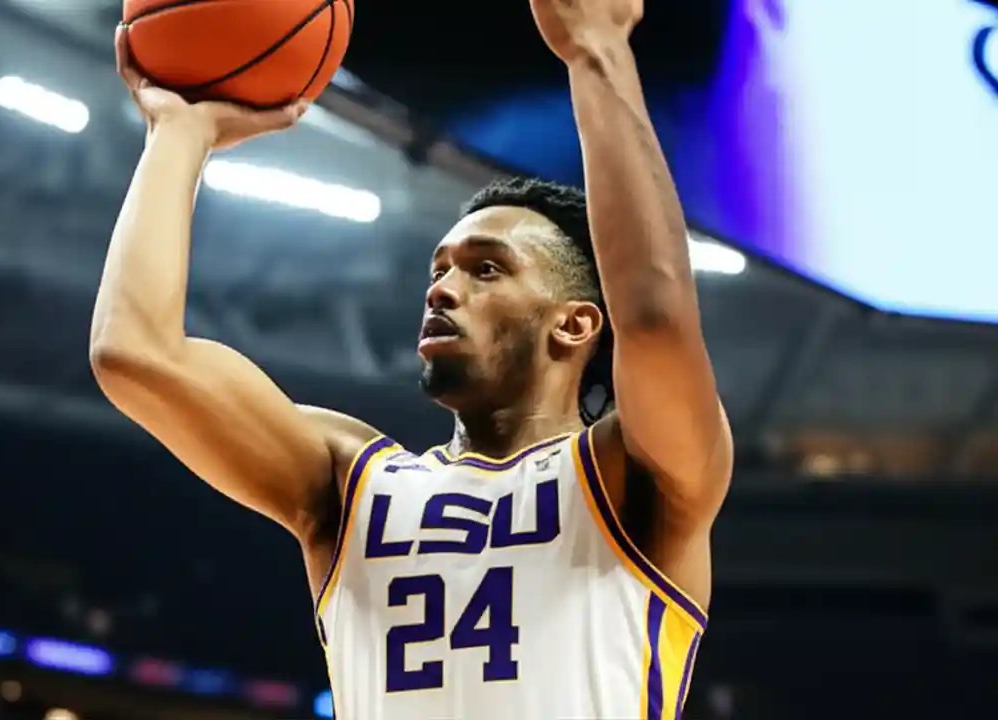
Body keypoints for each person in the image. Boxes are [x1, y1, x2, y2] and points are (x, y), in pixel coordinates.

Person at [91, 0, 732, 717]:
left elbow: (653, 318)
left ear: (576, 323)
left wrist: (597, 50)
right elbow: (135, 353)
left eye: (486, 270)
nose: (445, 290)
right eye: (439, 271)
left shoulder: (634, 479)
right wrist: (179, 132)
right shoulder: (349, 479)